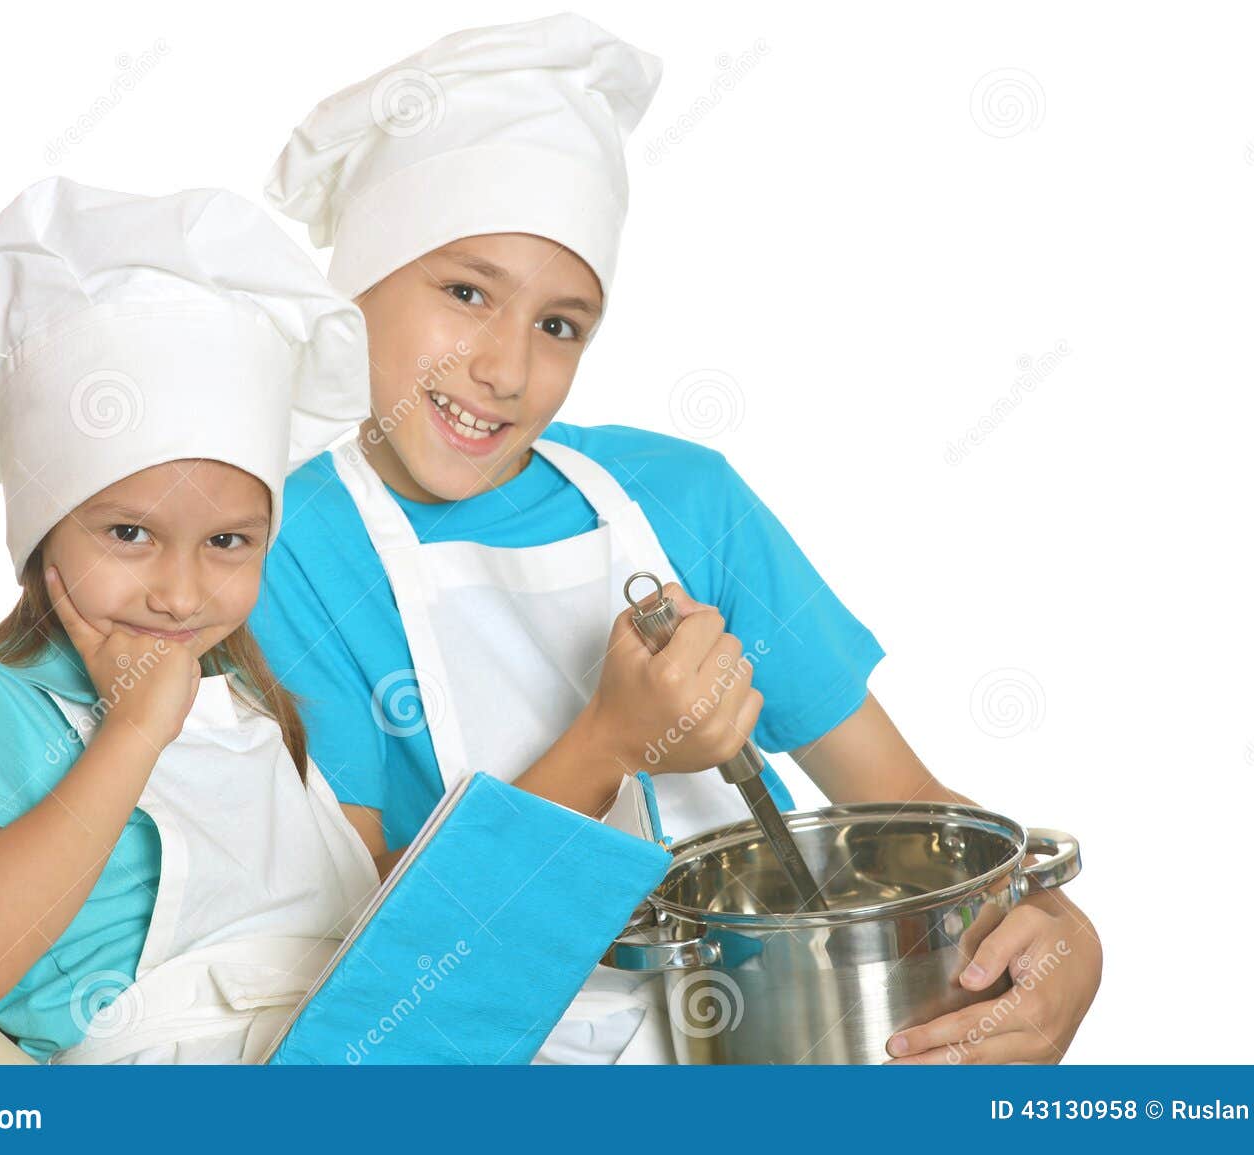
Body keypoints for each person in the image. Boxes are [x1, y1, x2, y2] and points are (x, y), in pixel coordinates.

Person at [251, 13, 1103, 1065]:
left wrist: (1058, 941)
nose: (505, 370)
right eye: (466, 293)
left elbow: (912, 816)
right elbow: (386, 978)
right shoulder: (279, 551)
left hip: (787, 1042)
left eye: (560, 324)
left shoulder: (681, 498)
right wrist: (608, 742)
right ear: (360, 281)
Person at [0, 178, 378, 1063]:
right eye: (131, 532)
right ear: (42, 529)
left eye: (227, 540)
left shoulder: (254, 705)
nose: (180, 594)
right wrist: (134, 733)